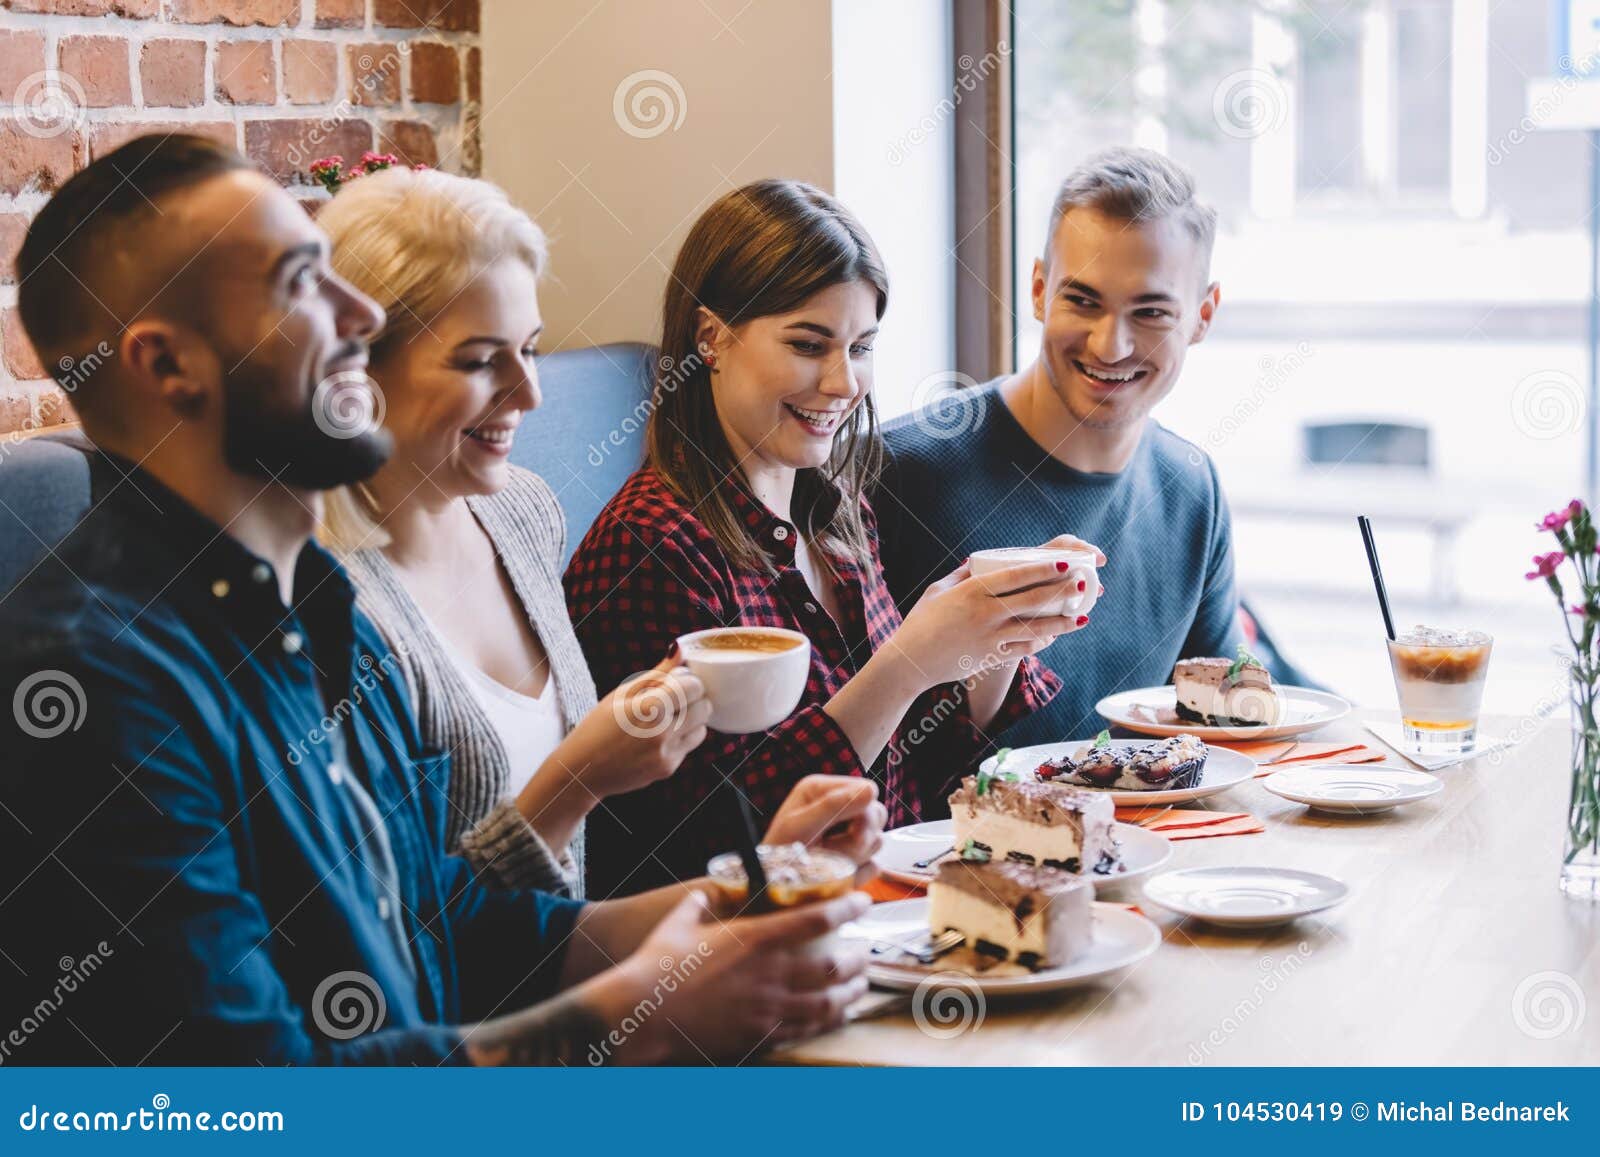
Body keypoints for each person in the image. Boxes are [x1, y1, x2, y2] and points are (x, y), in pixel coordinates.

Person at [0, 134, 874, 1065]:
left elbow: (447, 926)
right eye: (303, 281)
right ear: (168, 367)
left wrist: (732, 902)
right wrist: (643, 1017)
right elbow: (253, 1097)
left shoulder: (320, 614)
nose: (359, 312)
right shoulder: (95, 677)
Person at [312, 167, 880, 898]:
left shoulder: (523, 512)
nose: (531, 393)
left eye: (532, 348)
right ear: (354, 367)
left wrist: (761, 881)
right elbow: (408, 944)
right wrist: (578, 780)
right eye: (483, 360)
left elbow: (577, 914)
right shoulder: (327, 608)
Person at [566, 179, 1096, 898]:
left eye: (862, 346)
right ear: (711, 338)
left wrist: (998, 638)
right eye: (809, 344)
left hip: (890, 913)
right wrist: (906, 663)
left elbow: (908, 773)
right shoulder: (652, 545)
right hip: (750, 960)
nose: (845, 382)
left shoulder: (837, 513)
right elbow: (712, 845)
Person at [876, 146, 1243, 746]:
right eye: (1083, 300)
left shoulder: (1192, 486)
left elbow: (1226, 726)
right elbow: (847, 751)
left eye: (1150, 312)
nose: (1110, 345)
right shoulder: (903, 471)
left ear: (1202, 316)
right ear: (1040, 290)